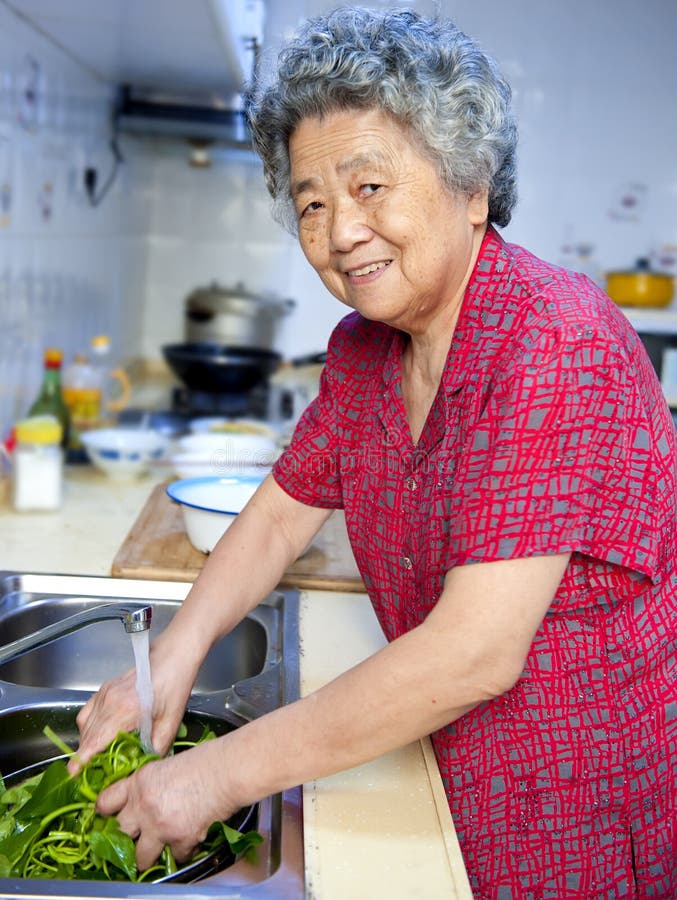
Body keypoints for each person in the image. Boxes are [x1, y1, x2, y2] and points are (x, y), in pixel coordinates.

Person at [70, 7, 676, 897]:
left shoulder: (555, 341)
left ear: (471, 189)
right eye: (311, 203)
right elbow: (280, 514)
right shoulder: (364, 346)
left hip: (572, 804)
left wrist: (208, 777)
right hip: (434, 756)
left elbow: (472, 654)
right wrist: (170, 659)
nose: (338, 230)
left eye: (369, 188)